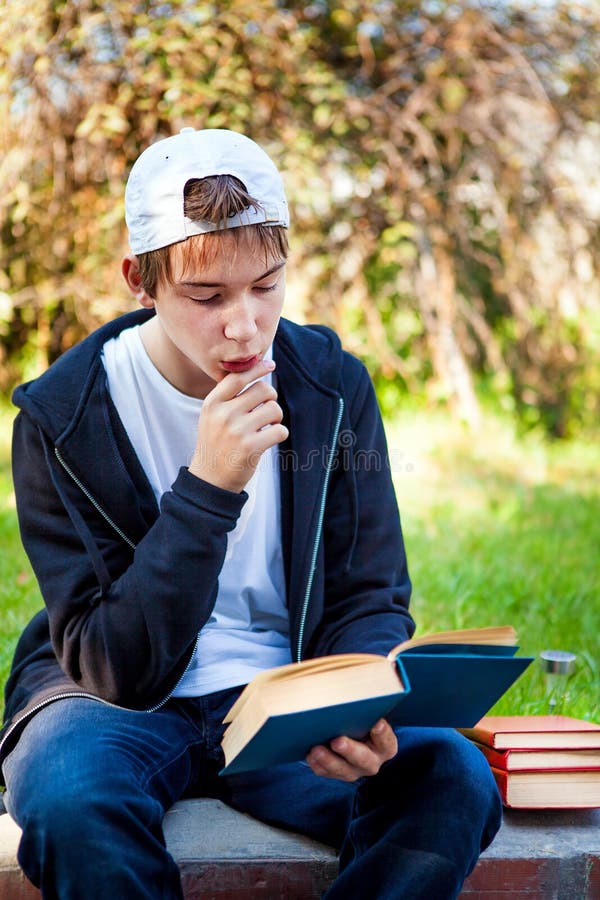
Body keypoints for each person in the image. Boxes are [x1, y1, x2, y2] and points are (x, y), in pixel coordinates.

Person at [0, 127, 501, 899]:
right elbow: (113, 666)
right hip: (113, 704)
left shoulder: (330, 388)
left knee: (451, 776)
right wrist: (209, 488)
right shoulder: (62, 422)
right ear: (140, 280)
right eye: (207, 296)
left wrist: (355, 706)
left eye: (266, 286)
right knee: (71, 800)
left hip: (287, 700)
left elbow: (369, 594)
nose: (244, 325)